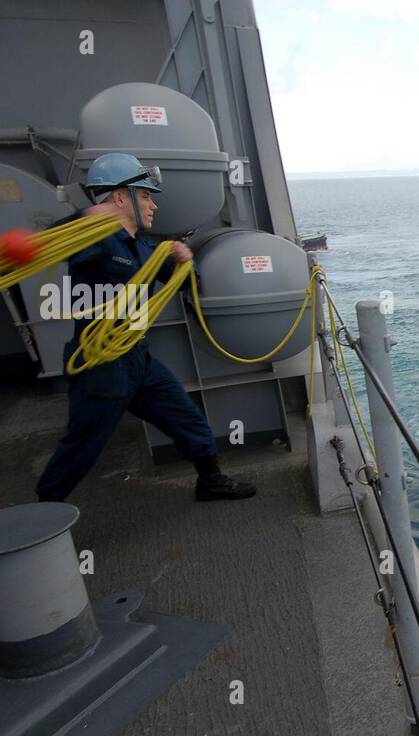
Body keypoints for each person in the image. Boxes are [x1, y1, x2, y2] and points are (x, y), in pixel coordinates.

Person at [35, 153, 255, 503]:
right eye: (145, 196)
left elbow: (185, 284)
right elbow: (48, 243)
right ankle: (43, 512)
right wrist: (88, 215)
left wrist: (184, 261)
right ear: (120, 198)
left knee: (186, 416)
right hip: (100, 363)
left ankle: (210, 479)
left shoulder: (144, 248)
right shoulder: (95, 237)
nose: (153, 205)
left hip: (137, 358)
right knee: (83, 445)